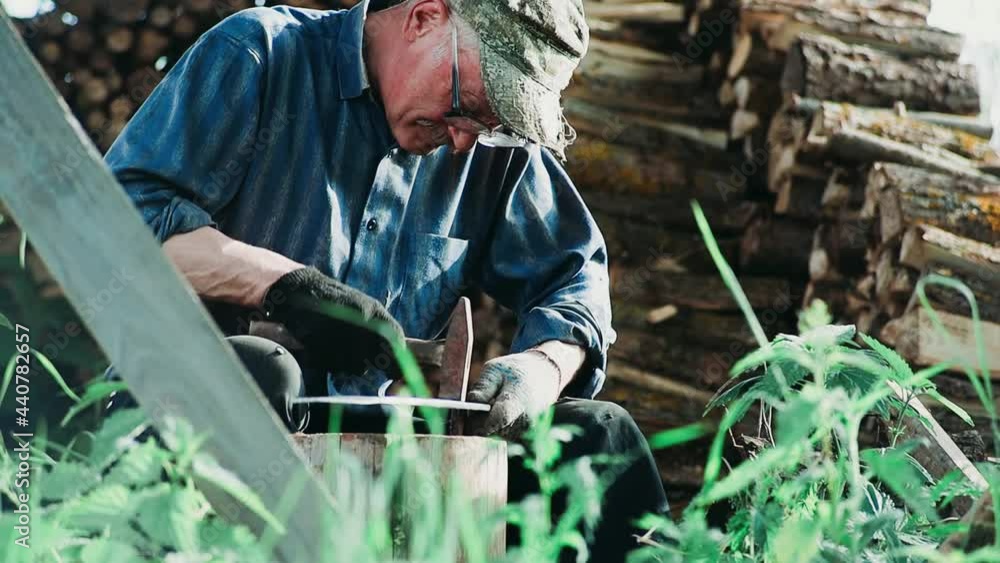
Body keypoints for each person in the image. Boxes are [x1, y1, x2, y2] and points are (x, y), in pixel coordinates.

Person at [103, 0, 668, 560]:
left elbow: (577, 283)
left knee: (600, 434)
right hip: (201, 420)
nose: (466, 140)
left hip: (381, 455)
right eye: (466, 105)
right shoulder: (261, 53)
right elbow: (116, 220)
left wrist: (542, 368)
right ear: (425, 18)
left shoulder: (490, 147)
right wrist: (281, 285)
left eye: (491, 124)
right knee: (263, 368)